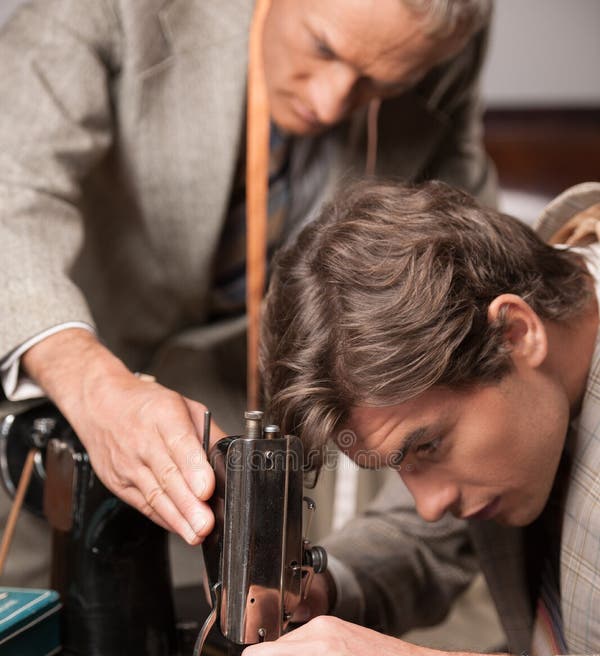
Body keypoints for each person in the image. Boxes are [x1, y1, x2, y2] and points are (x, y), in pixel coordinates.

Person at [0, 0, 495, 587]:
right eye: (323, 48)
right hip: (51, 381)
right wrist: (92, 385)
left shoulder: (440, 44)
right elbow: (11, 192)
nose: (332, 101)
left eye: (378, 83)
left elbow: (465, 250)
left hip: (232, 407)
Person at [233, 180, 600, 656]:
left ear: (515, 334)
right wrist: (321, 588)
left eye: (426, 448)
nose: (430, 503)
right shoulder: (523, 383)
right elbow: (425, 532)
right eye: (398, 466)